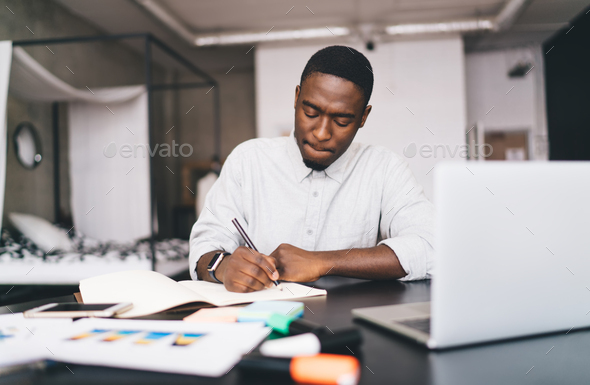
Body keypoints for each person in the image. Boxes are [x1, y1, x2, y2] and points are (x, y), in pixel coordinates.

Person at [190, 45, 434, 293]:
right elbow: (204, 248)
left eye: (342, 121)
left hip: (347, 326)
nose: (321, 133)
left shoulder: (384, 169)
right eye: (311, 112)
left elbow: (431, 247)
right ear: (296, 98)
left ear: (363, 117)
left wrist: (322, 262)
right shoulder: (248, 161)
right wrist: (222, 265)